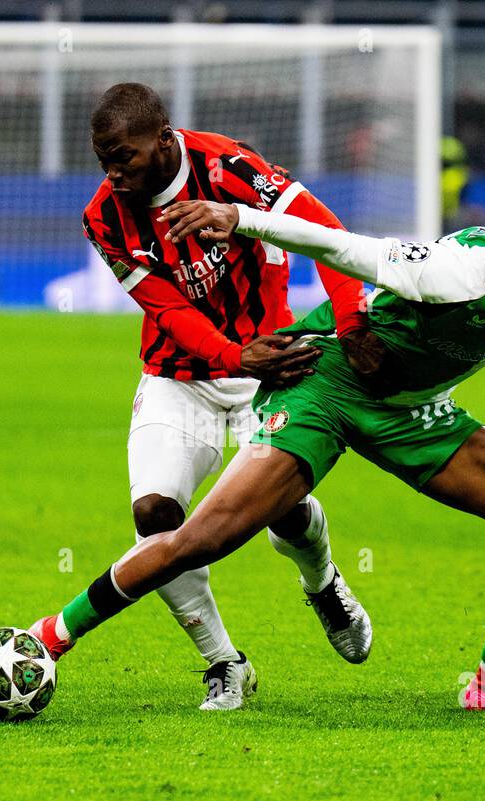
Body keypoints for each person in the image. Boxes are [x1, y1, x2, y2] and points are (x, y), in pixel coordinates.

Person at [31, 198, 485, 713]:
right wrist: (241, 219)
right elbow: (338, 247)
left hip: (411, 410)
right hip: (326, 383)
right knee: (206, 537)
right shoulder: (446, 270)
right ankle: (47, 638)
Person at [80, 83, 372, 710]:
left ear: (164, 140)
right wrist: (232, 355)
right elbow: (165, 308)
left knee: (281, 512)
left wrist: (351, 322)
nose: (113, 173)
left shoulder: (229, 167)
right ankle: (223, 662)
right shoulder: (103, 216)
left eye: (123, 157)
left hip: (271, 370)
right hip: (178, 376)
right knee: (154, 516)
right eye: (103, 160)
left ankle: (321, 580)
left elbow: (323, 231)